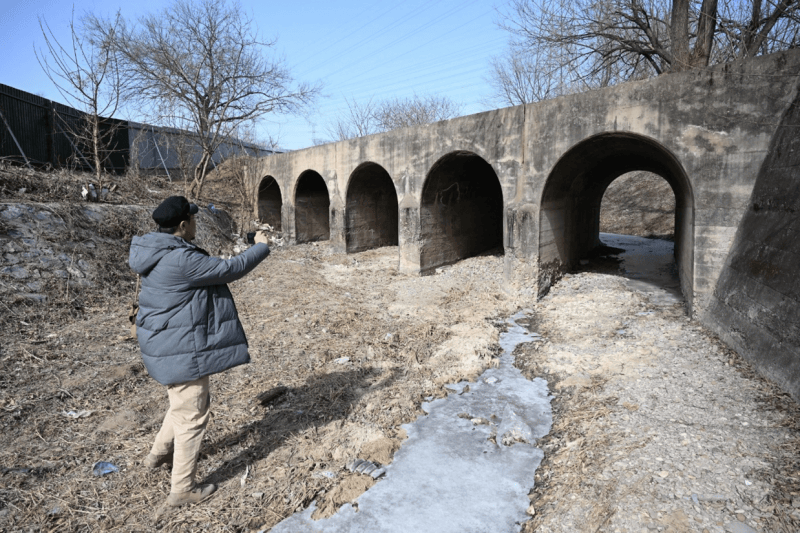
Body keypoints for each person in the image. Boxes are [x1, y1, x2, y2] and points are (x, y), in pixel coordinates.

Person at [128, 196, 270, 507]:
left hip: (164, 341)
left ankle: (157, 456)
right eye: (193, 219)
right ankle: (182, 490)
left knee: (182, 403)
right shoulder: (180, 259)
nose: (196, 223)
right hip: (179, 347)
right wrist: (261, 246)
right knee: (192, 414)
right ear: (182, 225)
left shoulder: (157, 248)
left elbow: (207, 267)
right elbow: (230, 268)